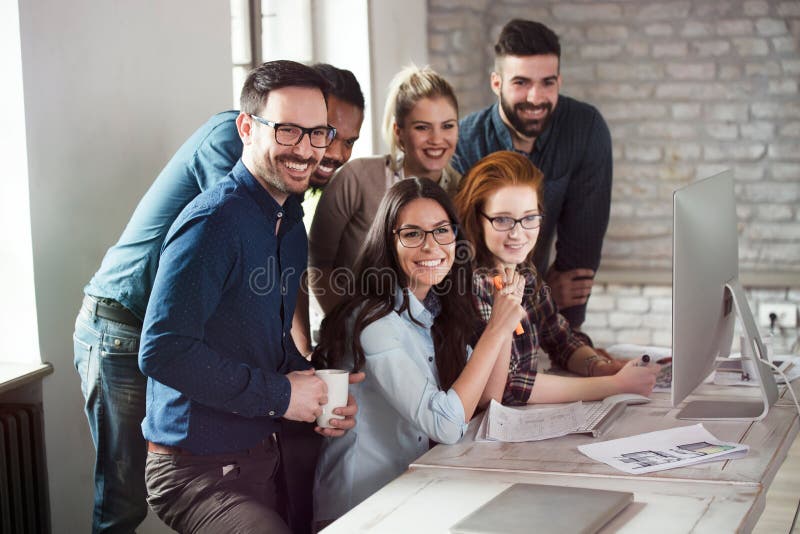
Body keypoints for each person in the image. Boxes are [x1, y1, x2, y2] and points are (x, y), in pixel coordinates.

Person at [72, 62, 364, 533]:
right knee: (119, 504)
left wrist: (312, 387)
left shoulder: (288, 224)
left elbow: (258, 322)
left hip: (247, 442)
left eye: (320, 134)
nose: (312, 149)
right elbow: (166, 348)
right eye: (288, 130)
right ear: (247, 128)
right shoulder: (218, 217)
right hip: (122, 330)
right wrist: (283, 392)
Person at [311, 177, 527, 525]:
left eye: (442, 231)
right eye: (412, 234)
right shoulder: (374, 322)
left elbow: (488, 399)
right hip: (359, 511)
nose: (431, 246)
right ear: (388, 244)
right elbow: (445, 424)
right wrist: (497, 328)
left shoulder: (436, 311)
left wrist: (500, 327)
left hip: (412, 495)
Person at [454, 151, 658, 405]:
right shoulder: (475, 284)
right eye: (503, 219)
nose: (518, 234)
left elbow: (559, 337)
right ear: (477, 219)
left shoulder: (523, 271)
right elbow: (510, 384)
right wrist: (613, 386)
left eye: (529, 218)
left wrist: (598, 366)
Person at [454, 18, 612, 330]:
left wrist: (566, 342)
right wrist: (543, 292)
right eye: (521, 82)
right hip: (474, 318)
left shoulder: (585, 128)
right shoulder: (465, 142)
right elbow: (462, 262)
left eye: (547, 83)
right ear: (496, 83)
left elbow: (581, 253)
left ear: (559, 81)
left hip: (546, 314)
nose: (535, 97)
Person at [308, 65, 461, 314]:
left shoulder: (463, 193)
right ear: (399, 133)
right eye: (422, 127)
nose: (436, 139)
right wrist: (346, 328)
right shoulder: (357, 179)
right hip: (354, 333)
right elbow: (317, 264)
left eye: (447, 126)